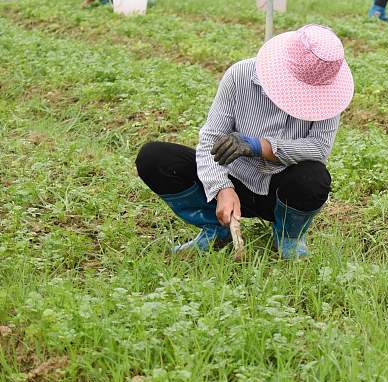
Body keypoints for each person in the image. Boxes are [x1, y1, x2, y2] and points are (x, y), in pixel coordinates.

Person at [135, 24, 354, 259]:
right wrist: (221, 188)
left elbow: (318, 148)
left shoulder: (328, 94)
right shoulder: (240, 76)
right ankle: (217, 228)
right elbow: (211, 138)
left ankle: (288, 237)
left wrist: (259, 146)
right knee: (154, 158)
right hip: (234, 177)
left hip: (279, 190)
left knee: (313, 177)